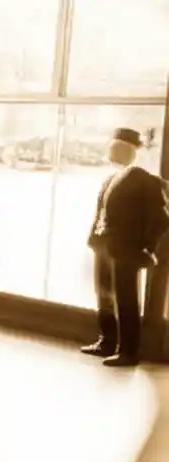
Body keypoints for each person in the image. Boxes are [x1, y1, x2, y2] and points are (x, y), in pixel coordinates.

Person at [80, 128, 168, 367]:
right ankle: (107, 340)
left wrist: (144, 247)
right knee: (104, 294)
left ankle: (128, 351)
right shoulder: (110, 178)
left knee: (125, 300)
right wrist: (93, 238)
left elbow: (161, 219)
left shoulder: (145, 180)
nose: (111, 151)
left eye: (116, 147)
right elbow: (100, 212)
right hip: (104, 245)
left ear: (128, 151)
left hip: (126, 250)